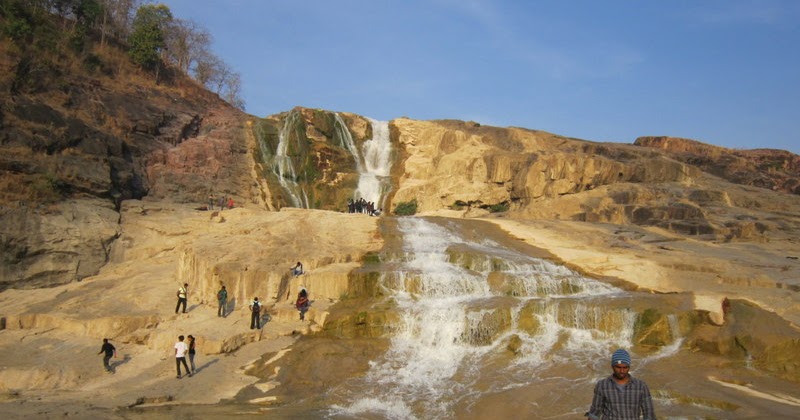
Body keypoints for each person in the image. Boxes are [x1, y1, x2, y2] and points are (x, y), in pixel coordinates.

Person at [585, 349, 655, 420]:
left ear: (629, 367)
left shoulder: (641, 386)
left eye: (625, 367)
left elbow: (649, 413)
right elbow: (594, 413)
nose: (622, 371)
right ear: (612, 366)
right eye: (618, 367)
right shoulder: (602, 385)